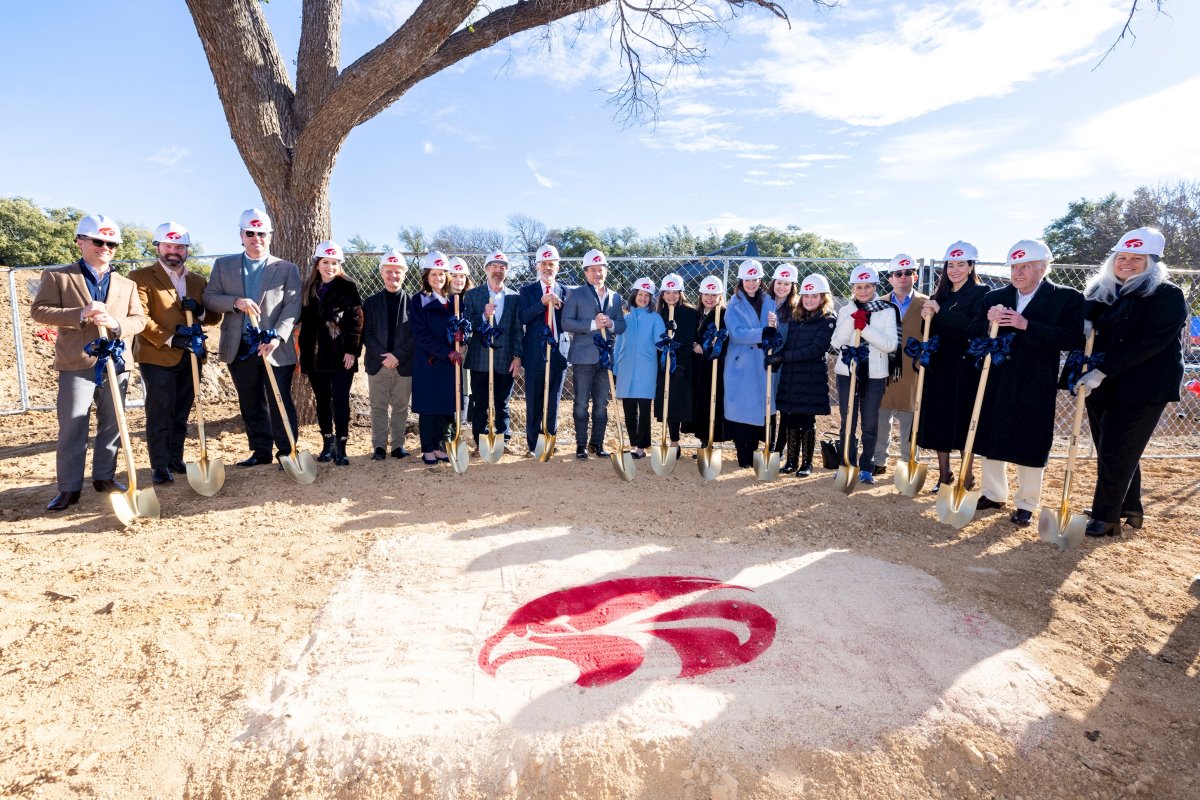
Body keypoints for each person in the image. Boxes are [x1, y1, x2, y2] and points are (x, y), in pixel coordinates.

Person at [31, 214, 147, 512]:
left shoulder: (126, 284)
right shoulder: (59, 276)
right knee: (73, 425)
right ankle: (69, 488)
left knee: (113, 424)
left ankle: (104, 478)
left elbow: (140, 320)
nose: (105, 247)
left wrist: (117, 324)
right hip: (76, 363)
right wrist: (80, 313)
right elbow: (40, 311)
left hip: (116, 363)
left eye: (111, 243)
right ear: (81, 241)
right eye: (98, 241)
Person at [1078, 228, 1187, 537]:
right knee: (1111, 447)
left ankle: (1106, 517)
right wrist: (1082, 326)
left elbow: (1148, 342)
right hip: (1103, 384)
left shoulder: (1166, 294)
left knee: (1117, 449)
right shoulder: (1104, 292)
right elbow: (1084, 322)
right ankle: (1129, 506)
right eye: (1121, 257)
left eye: (1136, 259)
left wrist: (1102, 371)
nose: (1126, 263)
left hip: (1143, 387)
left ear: (1151, 262)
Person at [971, 239, 1084, 526]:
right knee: (991, 434)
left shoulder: (1066, 297)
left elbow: (1073, 338)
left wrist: (1027, 325)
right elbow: (974, 331)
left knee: (1030, 440)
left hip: (1036, 380)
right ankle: (994, 493)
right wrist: (988, 322)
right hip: (996, 378)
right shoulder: (995, 297)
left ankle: (1027, 503)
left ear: (1043, 268)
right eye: (1014, 267)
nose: (1018, 273)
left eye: (1025, 267)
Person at [203, 208, 302, 468]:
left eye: (261, 233)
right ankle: (260, 451)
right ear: (241, 236)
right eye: (250, 233)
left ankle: (287, 452)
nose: (256, 238)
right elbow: (209, 297)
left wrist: (278, 338)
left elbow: (292, 307)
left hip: (274, 347)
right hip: (240, 346)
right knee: (250, 400)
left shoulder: (286, 269)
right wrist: (235, 302)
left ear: (269, 236)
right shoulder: (224, 266)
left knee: (280, 399)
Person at [128, 222, 221, 485]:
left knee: (181, 411)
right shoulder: (141, 277)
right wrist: (170, 339)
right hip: (157, 355)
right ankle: (159, 465)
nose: (173, 251)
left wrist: (200, 311)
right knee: (160, 411)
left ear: (186, 249)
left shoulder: (197, 280)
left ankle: (174, 458)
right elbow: (140, 317)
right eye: (168, 246)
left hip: (191, 355)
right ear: (158, 247)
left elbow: (213, 317)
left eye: (179, 246)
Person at [917, 242, 989, 491]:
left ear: (971, 267)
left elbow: (976, 327)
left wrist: (941, 313)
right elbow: (926, 332)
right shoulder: (939, 295)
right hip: (939, 367)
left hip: (965, 368)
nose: (955, 269)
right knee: (940, 420)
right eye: (951, 265)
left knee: (962, 420)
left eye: (961, 264)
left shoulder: (982, 294)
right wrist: (926, 316)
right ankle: (944, 474)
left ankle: (966, 475)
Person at [830, 266, 900, 485]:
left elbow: (890, 345)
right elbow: (836, 342)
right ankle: (846, 463)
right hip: (847, 372)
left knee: (870, 422)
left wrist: (866, 327)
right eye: (858, 287)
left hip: (875, 373)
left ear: (875, 287)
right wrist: (853, 320)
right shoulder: (844, 310)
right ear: (852, 288)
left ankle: (867, 466)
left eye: (867, 286)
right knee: (847, 421)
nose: (863, 291)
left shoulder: (887, 310)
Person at [298, 241, 363, 467]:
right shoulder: (308, 288)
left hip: (340, 354)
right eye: (326, 262)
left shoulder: (348, 287)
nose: (330, 267)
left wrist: (352, 351)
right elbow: (300, 319)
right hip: (315, 356)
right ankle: (327, 442)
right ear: (317, 264)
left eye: (335, 263)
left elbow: (356, 320)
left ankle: (342, 445)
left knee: (341, 400)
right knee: (322, 400)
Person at [563, 248, 626, 459]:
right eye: (593, 270)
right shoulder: (576, 293)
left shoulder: (615, 297)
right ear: (586, 272)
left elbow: (622, 325)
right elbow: (566, 322)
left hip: (605, 357)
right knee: (581, 402)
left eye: (601, 270)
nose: (597, 274)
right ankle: (581, 445)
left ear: (606, 271)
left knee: (601, 403)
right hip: (583, 356)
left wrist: (612, 323)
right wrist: (592, 324)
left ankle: (597, 444)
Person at [872, 254, 928, 476]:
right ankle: (878, 460)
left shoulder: (927, 304)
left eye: (908, 273)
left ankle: (908, 462)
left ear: (915, 275)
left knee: (909, 420)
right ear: (890, 278)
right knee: (880, 418)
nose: (903, 277)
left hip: (913, 371)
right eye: (898, 273)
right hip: (884, 368)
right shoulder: (879, 304)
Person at [777, 273, 836, 477]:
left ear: (823, 298)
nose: (809, 300)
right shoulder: (795, 317)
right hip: (791, 377)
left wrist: (783, 357)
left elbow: (816, 349)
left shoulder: (827, 320)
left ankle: (807, 463)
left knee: (807, 421)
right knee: (791, 418)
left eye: (814, 296)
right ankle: (791, 460)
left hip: (811, 378)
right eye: (806, 296)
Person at [462, 250, 521, 453]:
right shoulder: (473, 295)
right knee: (480, 404)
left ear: (506, 271)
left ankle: (503, 441)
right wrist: (482, 316)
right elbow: (466, 326)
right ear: (486, 269)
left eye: (502, 267)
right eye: (494, 267)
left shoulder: (515, 297)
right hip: (480, 358)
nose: (498, 270)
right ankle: (481, 443)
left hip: (505, 359)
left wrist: (518, 357)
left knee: (502, 404)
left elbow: (517, 330)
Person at [723, 260, 778, 469]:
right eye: (747, 279)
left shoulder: (769, 301)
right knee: (741, 409)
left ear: (760, 280)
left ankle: (756, 451)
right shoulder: (734, 304)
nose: (751, 283)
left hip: (762, 362)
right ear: (741, 281)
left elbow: (774, 327)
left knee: (759, 408)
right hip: (742, 363)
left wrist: (773, 331)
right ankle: (743, 455)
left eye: (755, 279)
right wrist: (763, 333)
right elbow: (736, 333)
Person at [362, 249, 414, 461]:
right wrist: (384, 356)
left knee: (401, 407)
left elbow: (416, 336)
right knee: (378, 407)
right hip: (378, 364)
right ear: (382, 273)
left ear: (404, 273)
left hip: (403, 364)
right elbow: (367, 334)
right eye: (389, 271)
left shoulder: (414, 303)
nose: (393, 276)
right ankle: (379, 447)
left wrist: (398, 356)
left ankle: (398, 446)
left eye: (397, 272)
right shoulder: (371, 303)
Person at [518, 244, 570, 455]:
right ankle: (533, 443)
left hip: (558, 352)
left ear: (557, 267)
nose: (548, 268)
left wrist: (561, 306)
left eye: (552, 264)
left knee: (554, 398)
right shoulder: (527, 291)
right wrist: (541, 304)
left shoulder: (566, 291)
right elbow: (523, 317)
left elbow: (570, 321)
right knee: (534, 398)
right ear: (537, 266)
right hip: (535, 353)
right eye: (544, 264)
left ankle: (550, 439)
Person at [408, 251, 459, 465]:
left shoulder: (455, 301)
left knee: (444, 406)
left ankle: (438, 446)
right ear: (426, 277)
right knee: (429, 407)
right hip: (429, 361)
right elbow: (420, 335)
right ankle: (427, 448)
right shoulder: (419, 300)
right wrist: (445, 352)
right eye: (433, 274)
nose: (438, 279)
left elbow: (461, 327)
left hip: (449, 364)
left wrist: (461, 337)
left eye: (441, 274)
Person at [614, 278, 664, 459]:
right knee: (628, 409)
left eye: (647, 295)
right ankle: (633, 443)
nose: (643, 298)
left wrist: (667, 341)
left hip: (646, 368)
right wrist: (615, 367)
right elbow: (619, 343)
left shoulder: (655, 318)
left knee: (643, 409)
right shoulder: (626, 318)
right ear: (634, 295)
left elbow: (660, 341)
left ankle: (642, 447)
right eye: (640, 294)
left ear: (651, 298)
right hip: (626, 367)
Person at [653, 272, 697, 460]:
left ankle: (678, 439)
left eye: (675, 292)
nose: (671, 296)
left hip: (682, 365)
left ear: (681, 293)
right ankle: (673, 441)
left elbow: (689, 340)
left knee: (678, 403)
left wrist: (681, 364)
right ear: (662, 294)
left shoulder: (690, 313)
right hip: (663, 364)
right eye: (667, 292)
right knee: (666, 403)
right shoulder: (657, 315)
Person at [684, 275, 729, 455]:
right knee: (701, 401)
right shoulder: (696, 314)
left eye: (714, 295)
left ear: (720, 296)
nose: (709, 298)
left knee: (713, 400)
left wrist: (714, 345)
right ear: (701, 295)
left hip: (715, 365)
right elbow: (689, 336)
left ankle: (712, 438)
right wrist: (694, 344)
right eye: (706, 294)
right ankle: (703, 439)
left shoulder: (723, 315)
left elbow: (726, 338)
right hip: (698, 366)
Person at [767, 263, 799, 464]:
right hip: (765, 361)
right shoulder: (764, 303)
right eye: (779, 282)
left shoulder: (796, 308)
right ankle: (768, 445)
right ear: (773, 283)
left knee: (784, 407)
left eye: (786, 284)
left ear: (792, 286)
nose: (782, 287)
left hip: (785, 363)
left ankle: (779, 447)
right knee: (767, 405)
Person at [447, 256, 475, 425]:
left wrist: (465, 343)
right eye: (454, 275)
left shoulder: (470, 300)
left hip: (465, 356)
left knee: (464, 388)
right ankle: (446, 435)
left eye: (462, 276)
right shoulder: (442, 300)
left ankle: (461, 426)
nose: (458, 280)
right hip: (446, 355)